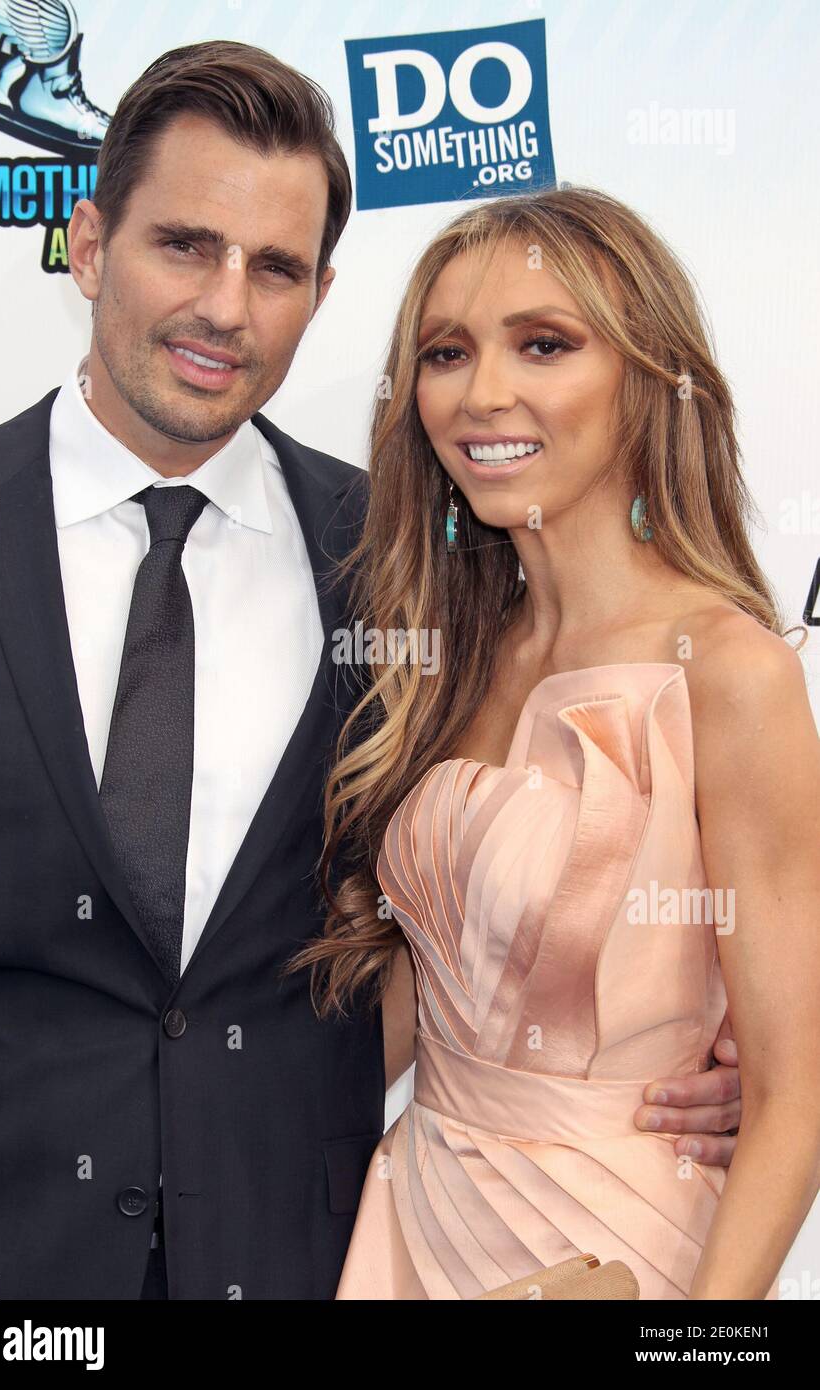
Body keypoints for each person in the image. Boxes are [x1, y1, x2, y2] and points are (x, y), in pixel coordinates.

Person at [0, 42, 748, 1301]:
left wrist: (699, 1035)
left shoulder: (410, 567)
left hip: (316, 1253)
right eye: (184, 245)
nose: (227, 307)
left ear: (321, 294)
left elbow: (511, 879)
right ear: (90, 246)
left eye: (275, 268)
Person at [286, 188, 820, 1300]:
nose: (484, 393)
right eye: (446, 351)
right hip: (415, 1221)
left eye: (544, 344)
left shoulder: (728, 672)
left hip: (622, 1250)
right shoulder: (444, 660)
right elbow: (420, 1003)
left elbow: (792, 1095)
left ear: (647, 374)